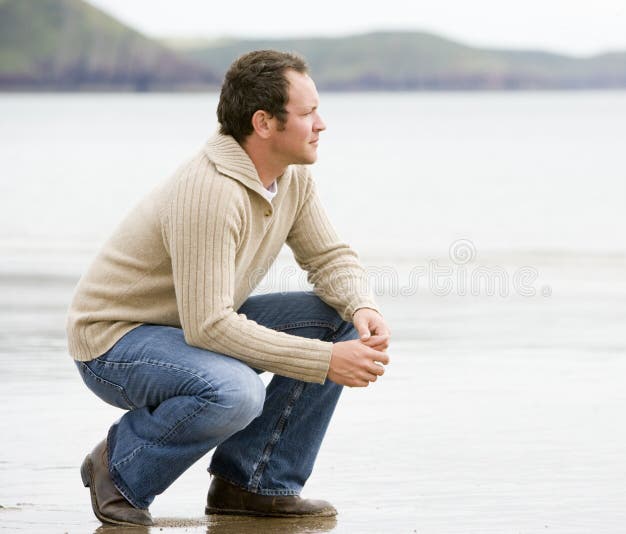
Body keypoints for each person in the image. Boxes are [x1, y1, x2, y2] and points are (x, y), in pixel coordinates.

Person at [66, 50, 391, 527]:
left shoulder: (291, 177)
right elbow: (210, 326)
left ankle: (253, 484)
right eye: (307, 114)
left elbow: (328, 257)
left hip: (186, 331)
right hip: (115, 342)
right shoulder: (211, 191)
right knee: (236, 393)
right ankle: (118, 470)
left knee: (337, 321)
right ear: (263, 122)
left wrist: (363, 306)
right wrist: (324, 362)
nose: (321, 124)